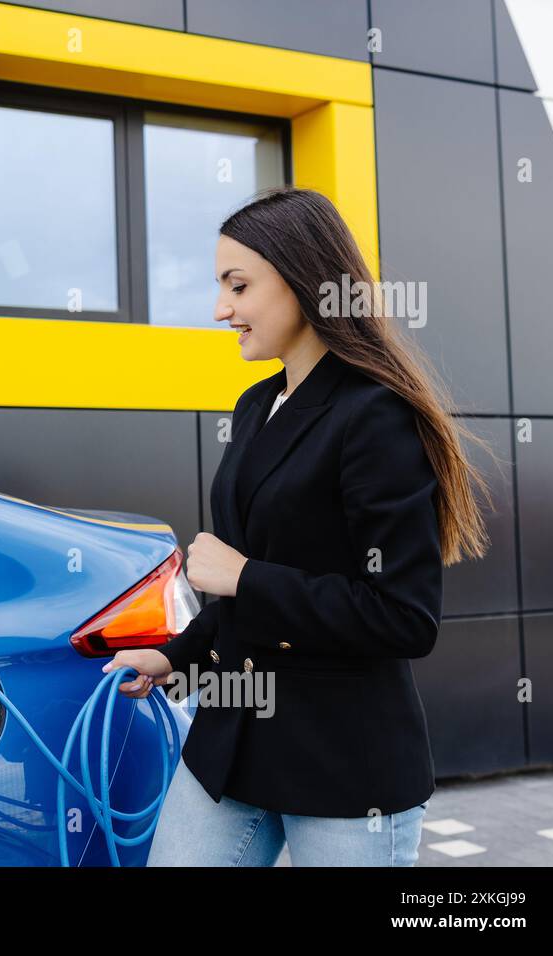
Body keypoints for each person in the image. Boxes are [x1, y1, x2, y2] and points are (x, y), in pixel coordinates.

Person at [105, 186, 497, 866]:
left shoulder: (374, 415)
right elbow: (238, 597)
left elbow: (404, 617)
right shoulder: (256, 405)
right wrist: (175, 657)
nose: (220, 309)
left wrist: (248, 577)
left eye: (238, 285)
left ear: (303, 280)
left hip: (346, 766)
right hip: (231, 750)